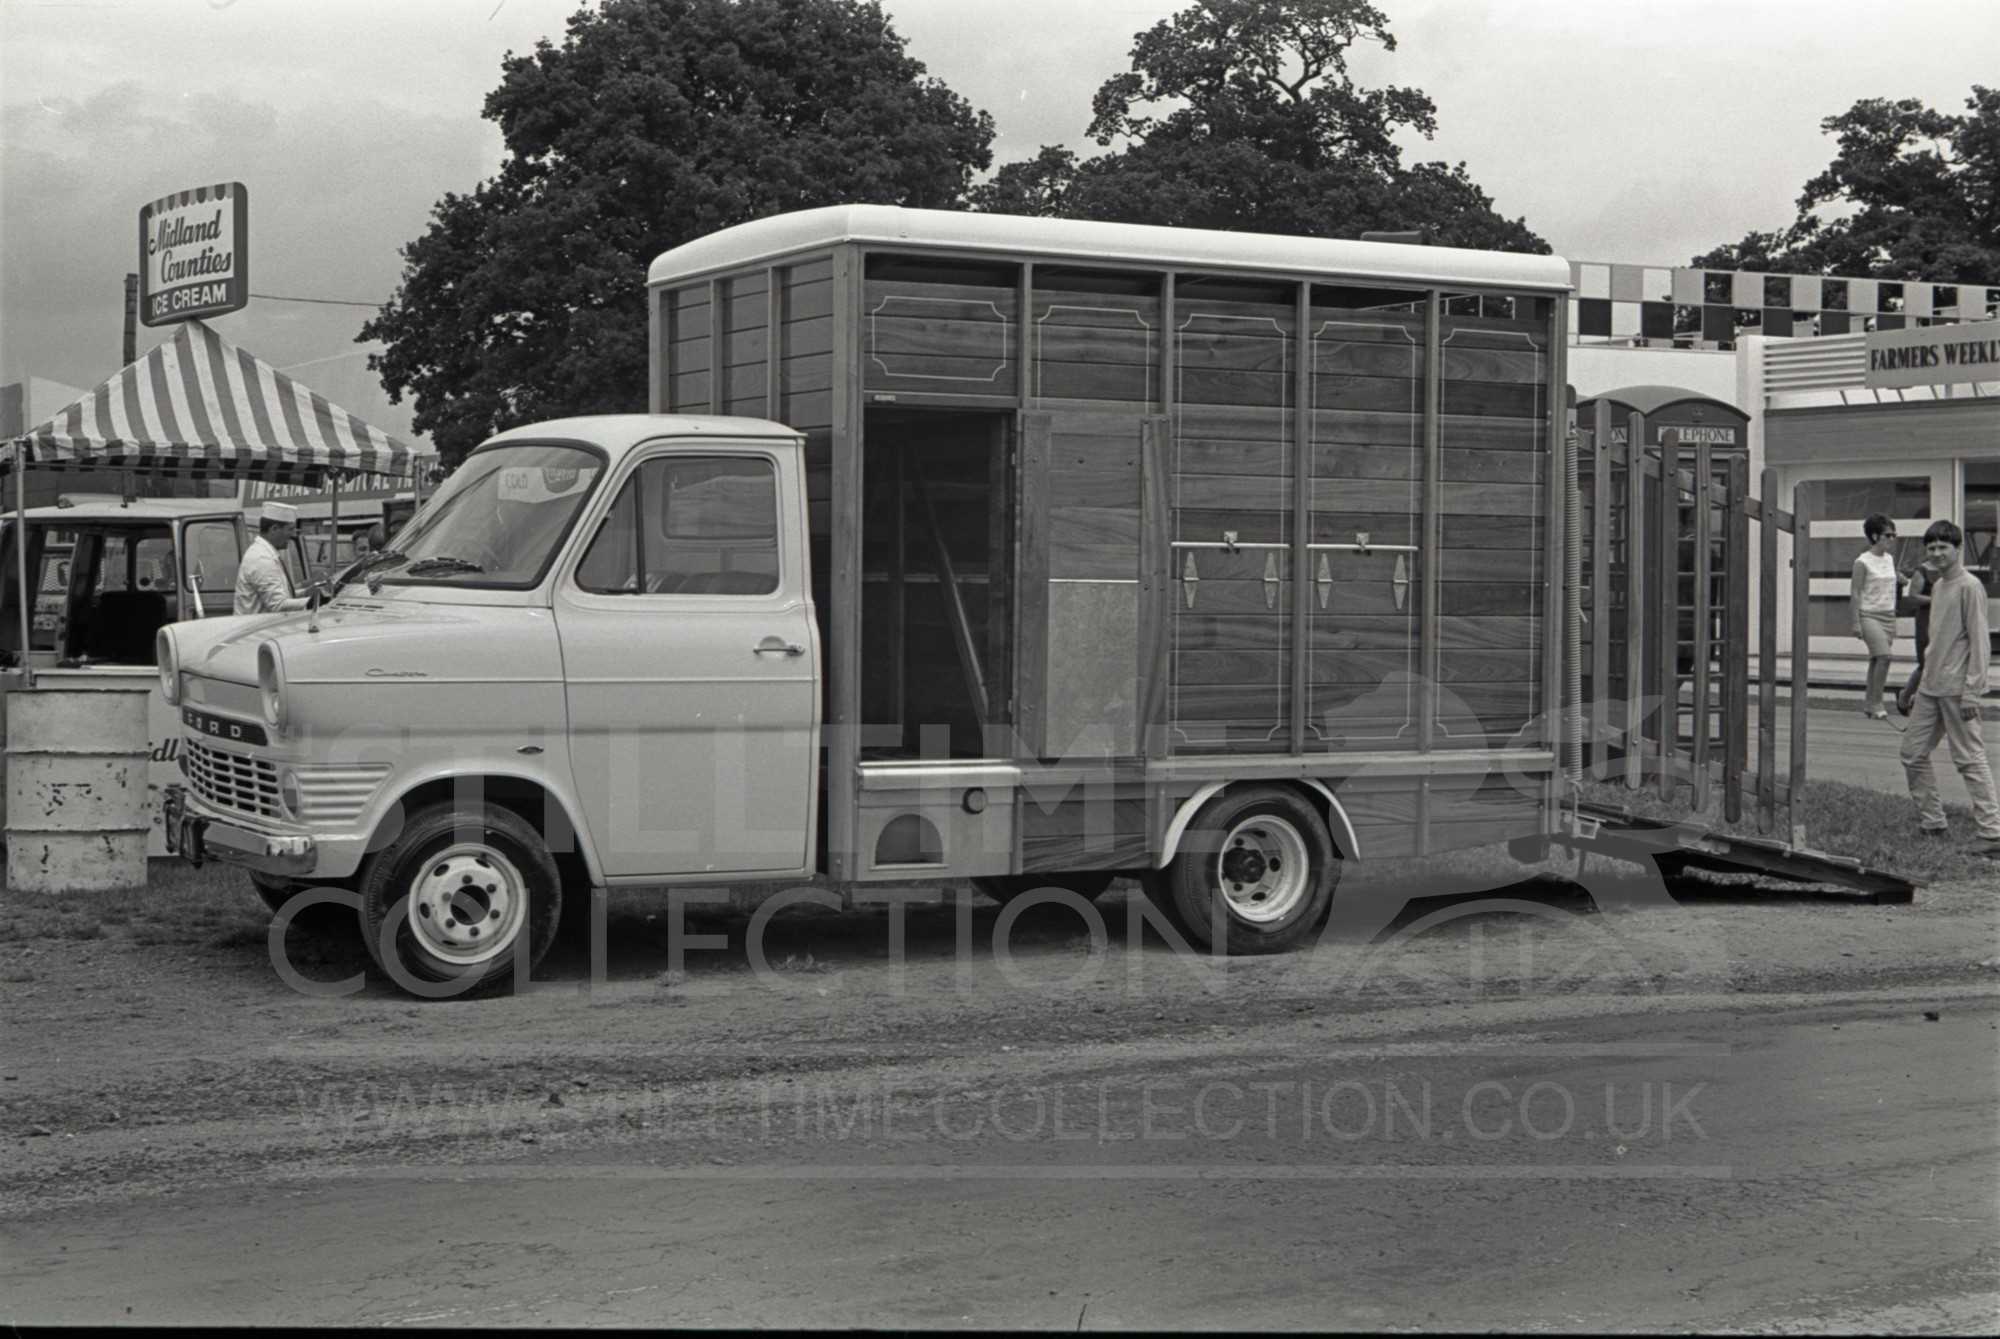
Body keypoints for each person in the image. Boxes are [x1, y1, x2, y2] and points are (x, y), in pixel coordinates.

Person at [1899, 519, 2000, 856]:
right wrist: (1914, 684)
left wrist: (1973, 690)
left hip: (1958, 690)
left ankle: (1992, 833)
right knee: (1913, 754)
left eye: (1944, 547)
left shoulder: (1969, 587)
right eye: (1931, 548)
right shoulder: (1939, 587)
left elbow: (1979, 641)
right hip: (1930, 687)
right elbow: (1935, 644)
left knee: (1969, 758)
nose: (1937, 553)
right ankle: (1933, 822)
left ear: (1957, 549)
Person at [1849, 514, 1900, 719]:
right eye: (1888, 535)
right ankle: (1877, 702)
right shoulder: (1862, 562)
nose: (1892, 539)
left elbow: (1890, 580)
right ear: (1875, 535)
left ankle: (1869, 703)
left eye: (1894, 535)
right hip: (1869, 614)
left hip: (1888, 614)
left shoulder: (1889, 559)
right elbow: (1855, 592)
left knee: (1876, 659)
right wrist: (1855, 622)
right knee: (1885, 656)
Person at [233, 501, 314, 615]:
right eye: (290, 529)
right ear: (274, 529)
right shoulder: (262, 559)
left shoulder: (266, 553)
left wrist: (306, 592)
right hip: (255, 629)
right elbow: (278, 605)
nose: (293, 535)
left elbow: (281, 594)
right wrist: (315, 601)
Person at [1895, 549, 1945, 716]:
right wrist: (1936, 600)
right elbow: (1913, 596)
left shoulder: (1950, 569)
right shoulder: (1922, 570)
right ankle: (1905, 696)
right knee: (1926, 663)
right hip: (1926, 618)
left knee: (1941, 662)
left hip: (1945, 620)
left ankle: (1926, 701)